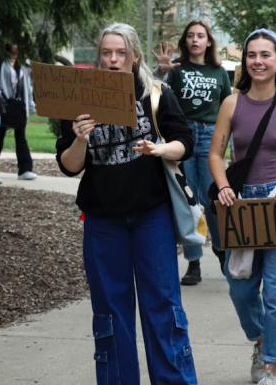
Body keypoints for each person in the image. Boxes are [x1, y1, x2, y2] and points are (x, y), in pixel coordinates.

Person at [56, 23, 197, 385]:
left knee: (163, 308)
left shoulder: (155, 94)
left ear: (135, 56)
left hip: (152, 216)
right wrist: (81, 139)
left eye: (121, 53)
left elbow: (185, 141)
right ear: (99, 56)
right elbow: (69, 166)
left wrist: (160, 148)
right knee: (110, 313)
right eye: (107, 53)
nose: (114, 60)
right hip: (103, 222)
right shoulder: (78, 99)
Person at [209, 29, 276, 385]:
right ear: (244, 61)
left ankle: (270, 368)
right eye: (252, 55)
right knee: (241, 287)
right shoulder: (232, 102)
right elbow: (216, 154)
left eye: (266, 55)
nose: (258, 61)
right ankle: (260, 340)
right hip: (243, 202)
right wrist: (224, 187)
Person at [152, 20, 233, 284]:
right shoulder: (176, 69)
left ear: (209, 41)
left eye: (200, 36)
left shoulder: (219, 71)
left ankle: (222, 252)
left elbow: (228, 107)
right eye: (190, 36)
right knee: (188, 201)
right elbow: (152, 92)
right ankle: (193, 262)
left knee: (214, 200)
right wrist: (161, 71)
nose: (195, 40)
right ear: (185, 41)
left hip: (211, 135)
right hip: (183, 136)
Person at [0, 44, 37, 180]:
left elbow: (27, 85)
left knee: (21, 136)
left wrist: (30, 104)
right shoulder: (1, 63)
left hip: (19, 105)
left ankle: (25, 169)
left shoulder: (23, 64)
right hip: (4, 103)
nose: (15, 49)